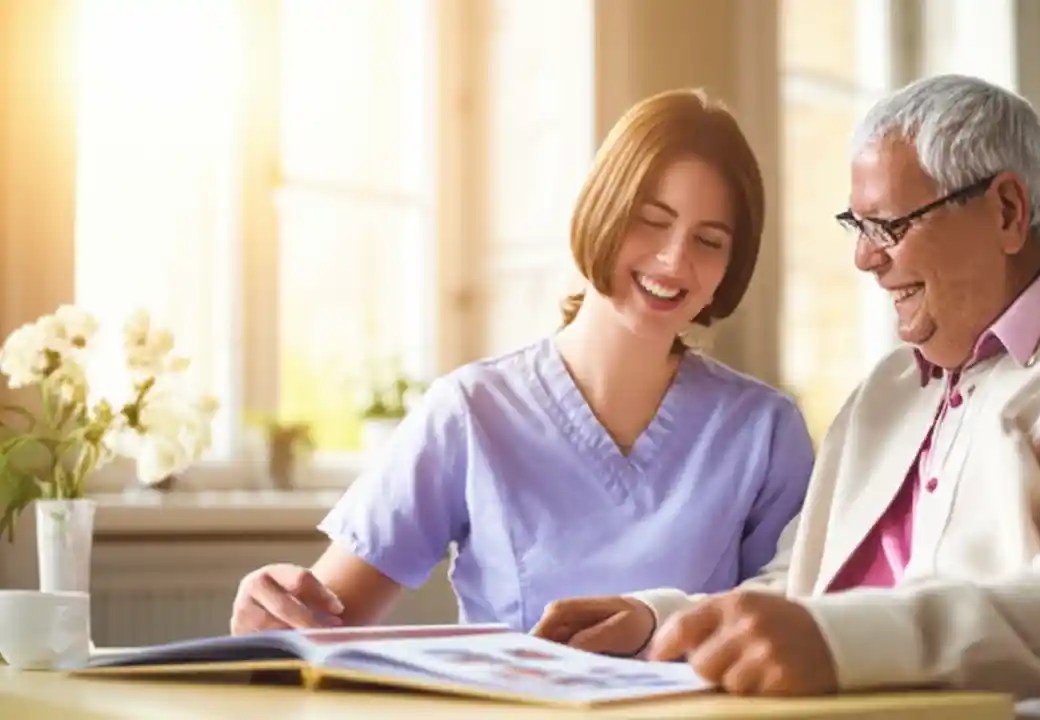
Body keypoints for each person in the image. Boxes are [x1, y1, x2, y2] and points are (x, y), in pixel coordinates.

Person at [532, 75, 1040, 719]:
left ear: (1007, 213)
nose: (864, 258)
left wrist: (836, 643)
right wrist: (659, 621)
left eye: (889, 224)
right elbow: (804, 589)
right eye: (859, 226)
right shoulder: (887, 392)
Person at [229, 89, 814, 636]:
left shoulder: (764, 431)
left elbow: (788, 619)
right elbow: (320, 622)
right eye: (652, 220)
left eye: (708, 241)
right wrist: (271, 610)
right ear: (602, 209)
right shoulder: (471, 411)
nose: (672, 259)